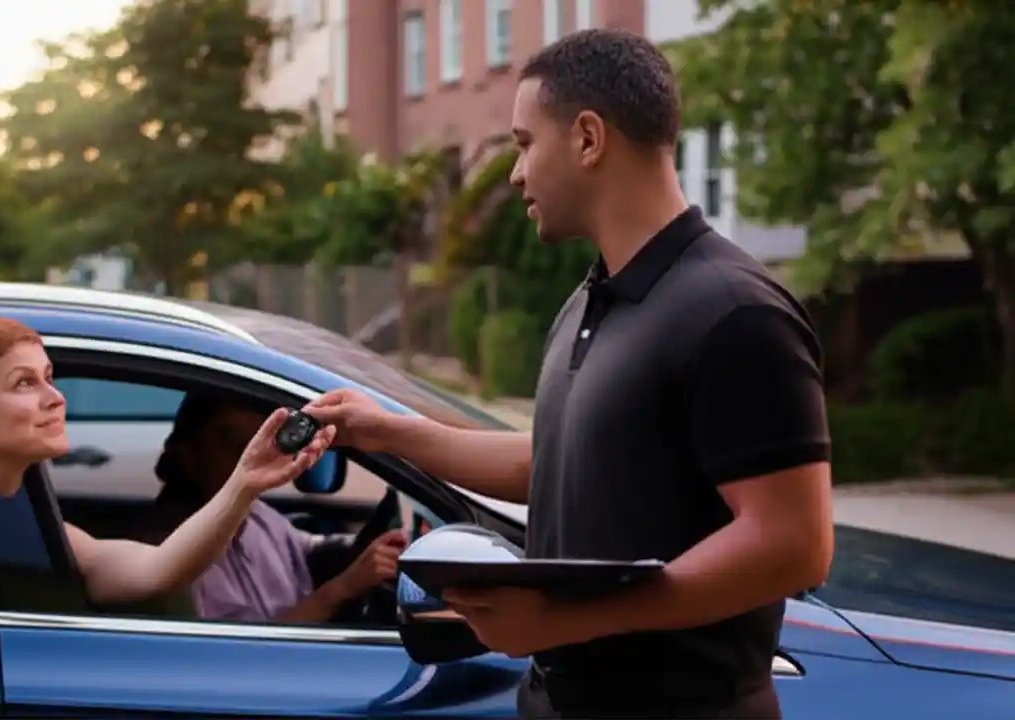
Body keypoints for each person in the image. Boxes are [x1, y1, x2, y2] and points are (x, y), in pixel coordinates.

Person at [305, 29, 833, 720]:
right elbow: (559, 458)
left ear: (588, 138)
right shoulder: (592, 299)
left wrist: (569, 621)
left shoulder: (733, 311)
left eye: (524, 143)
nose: (516, 173)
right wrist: (389, 432)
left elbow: (793, 545)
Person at [0, 316, 335, 609]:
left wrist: (245, 482)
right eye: (25, 383)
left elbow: (159, 570)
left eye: (49, 376)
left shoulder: (36, 523)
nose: (56, 397)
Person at [132, 390, 406, 624]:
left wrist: (367, 549)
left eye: (258, 445)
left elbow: (308, 547)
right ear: (189, 455)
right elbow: (243, 655)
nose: (252, 460)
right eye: (236, 447)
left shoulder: (257, 515)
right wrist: (344, 588)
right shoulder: (176, 552)